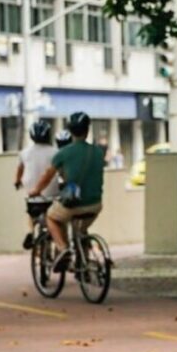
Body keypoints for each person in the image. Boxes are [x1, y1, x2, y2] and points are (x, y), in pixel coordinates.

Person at [29, 112, 106, 272]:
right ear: (87, 130)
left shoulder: (63, 153)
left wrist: (36, 190)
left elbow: (47, 176)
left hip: (74, 204)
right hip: (96, 204)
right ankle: (82, 261)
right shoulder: (98, 152)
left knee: (52, 217)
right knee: (81, 230)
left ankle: (63, 249)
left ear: (70, 131)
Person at [15, 120, 59, 249]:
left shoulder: (24, 153)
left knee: (30, 214)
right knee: (55, 217)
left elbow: (19, 171)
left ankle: (30, 232)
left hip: (33, 195)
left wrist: (17, 182)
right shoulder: (56, 152)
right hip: (52, 195)